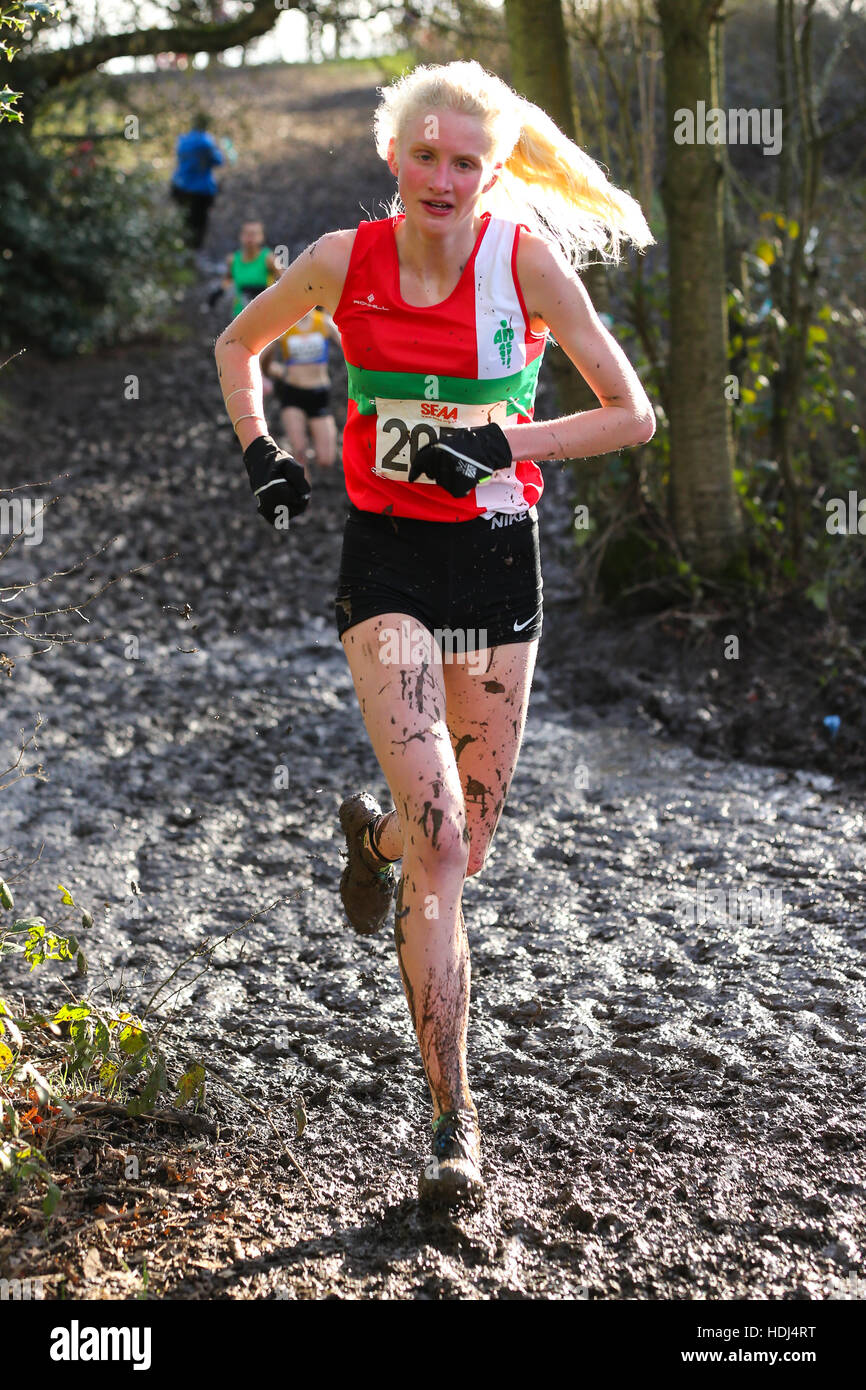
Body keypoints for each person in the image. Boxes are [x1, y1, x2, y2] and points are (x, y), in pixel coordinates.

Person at [214, 60, 656, 1209]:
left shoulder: (525, 265)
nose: (444, 177)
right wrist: (262, 452)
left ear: (493, 169)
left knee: (462, 844)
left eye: (467, 159)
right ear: (391, 157)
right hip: (390, 566)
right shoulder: (335, 263)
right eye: (425, 154)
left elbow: (631, 413)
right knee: (446, 848)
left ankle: (372, 850)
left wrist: (509, 445)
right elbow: (235, 347)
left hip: (497, 562)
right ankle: (453, 1127)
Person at [260, 308, 343, 479]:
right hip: (293, 393)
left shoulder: (323, 322)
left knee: (326, 458)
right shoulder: (285, 325)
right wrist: (272, 371)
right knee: (299, 451)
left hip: (319, 394)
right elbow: (264, 355)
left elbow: (347, 346)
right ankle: (304, 497)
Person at [170, 111, 224, 250]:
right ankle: (193, 251)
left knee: (184, 219)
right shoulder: (206, 142)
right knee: (199, 223)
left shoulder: (183, 139)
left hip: (180, 185)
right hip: (200, 189)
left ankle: (181, 247)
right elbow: (218, 160)